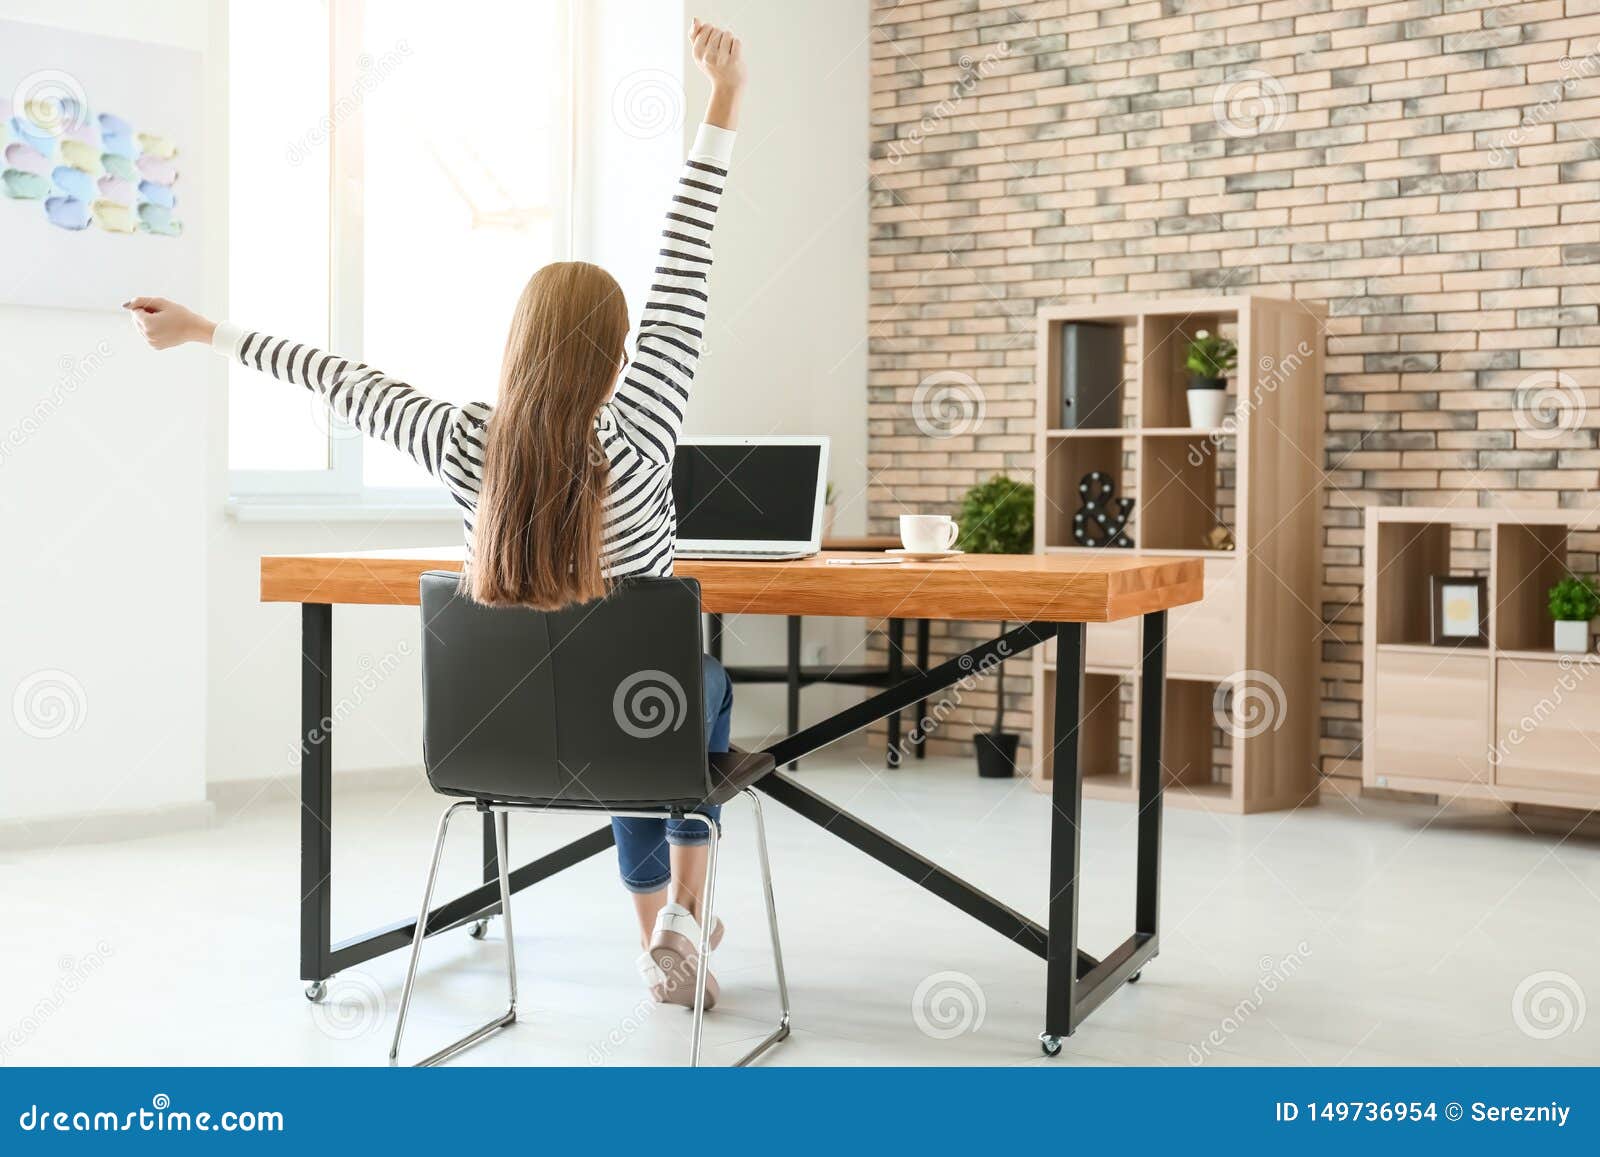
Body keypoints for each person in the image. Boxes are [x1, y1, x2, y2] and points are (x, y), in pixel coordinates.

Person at [126, 18, 746, 1011]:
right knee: (677, 699)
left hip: (500, 743)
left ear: (519, 348)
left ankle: (660, 938)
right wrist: (723, 99)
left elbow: (335, 376)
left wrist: (204, 330)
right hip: (636, 718)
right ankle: (682, 911)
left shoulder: (462, 438)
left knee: (643, 706)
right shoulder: (644, 423)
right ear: (622, 355)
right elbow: (687, 250)